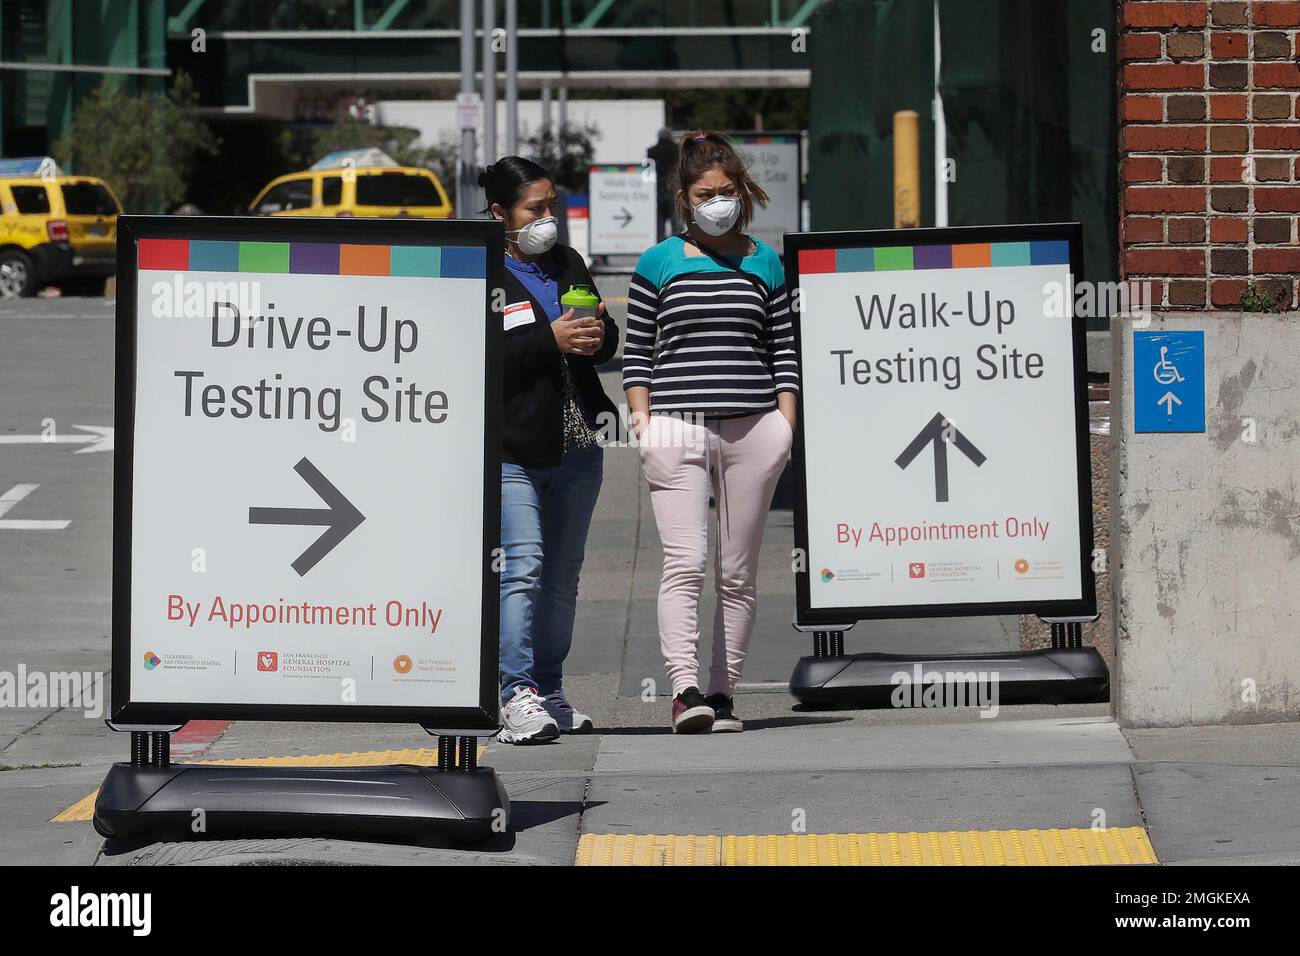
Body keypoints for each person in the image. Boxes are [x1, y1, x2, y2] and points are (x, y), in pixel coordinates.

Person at [622, 132, 799, 734]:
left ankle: (724, 694)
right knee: (686, 561)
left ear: (741, 192)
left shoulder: (764, 260)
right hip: (676, 427)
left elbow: (785, 350)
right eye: (706, 193)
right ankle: (685, 691)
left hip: (755, 429)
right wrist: (643, 421)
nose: (718, 202)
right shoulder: (659, 261)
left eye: (727, 192)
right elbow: (637, 351)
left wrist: (785, 425)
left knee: (739, 570)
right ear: (683, 196)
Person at [486, 157, 620, 743]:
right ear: (500, 214)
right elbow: (478, 354)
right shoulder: (483, 269)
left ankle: (550, 690)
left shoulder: (568, 263)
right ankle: (513, 695)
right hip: (512, 446)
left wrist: (599, 334)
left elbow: (600, 338)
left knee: (563, 576)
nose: (547, 219)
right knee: (524, 569)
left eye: (551, 206)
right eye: (533, 209)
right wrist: (550, 338)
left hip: (578, 442)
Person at [646, 128, 679, 240]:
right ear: (670, 136)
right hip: (673, 191)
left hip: (657, 191)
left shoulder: (651, 151)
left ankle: (660, 245)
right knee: (675, 222)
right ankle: (676, 244)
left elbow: (648, 172)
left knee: (659, 223)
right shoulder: (677, 149)